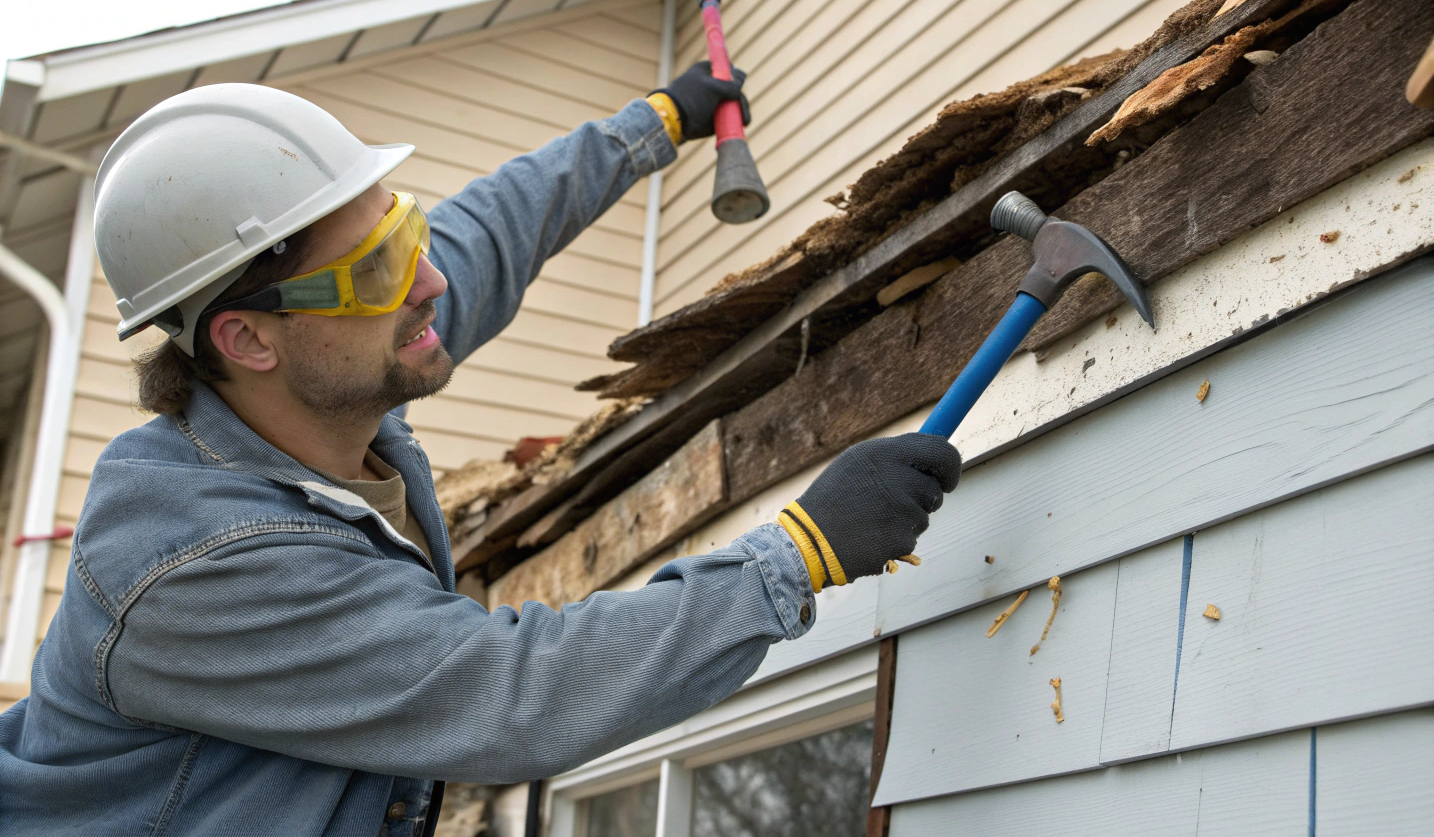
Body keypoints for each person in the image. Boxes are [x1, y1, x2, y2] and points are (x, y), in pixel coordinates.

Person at [0, 66, 960, 836]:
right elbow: (512, 695)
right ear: (248, 338)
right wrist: (793, 558)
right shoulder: (196, 572)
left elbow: (491, 230)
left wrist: (657, 121)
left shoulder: (325, 388)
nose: (428, 277)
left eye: (402, 228)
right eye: (378, 269)